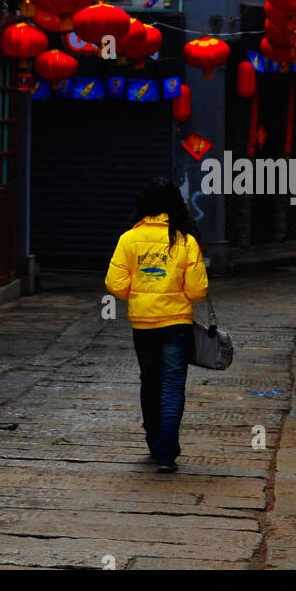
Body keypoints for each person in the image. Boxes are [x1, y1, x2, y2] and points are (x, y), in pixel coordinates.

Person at [105, 177, 208, 473]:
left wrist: (138, 290)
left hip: (143, 323)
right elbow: (198, 292)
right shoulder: (186, 241)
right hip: (176, 323)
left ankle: (154, 443)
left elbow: (116, 284)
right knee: (173, 386)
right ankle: (166, 453)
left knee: (149, 382)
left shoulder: (129, 239)